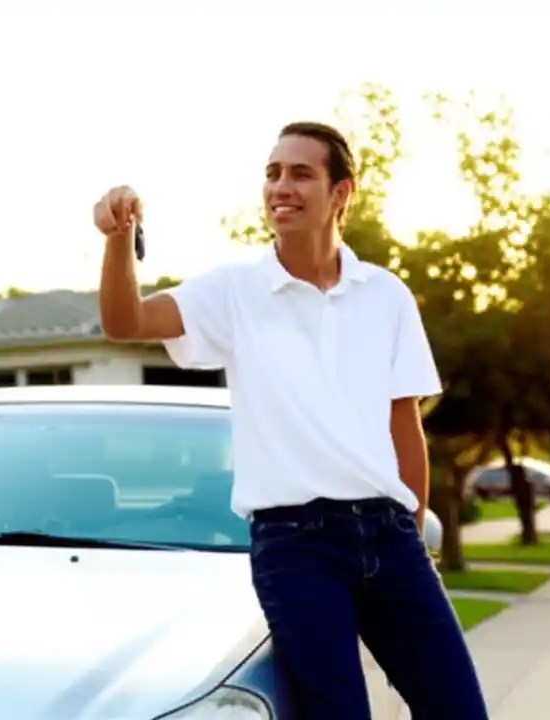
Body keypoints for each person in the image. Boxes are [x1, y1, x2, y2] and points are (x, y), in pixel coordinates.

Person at [92, 121, 490, 719]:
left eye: (301, 173)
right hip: (296, 547)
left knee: (459, 711)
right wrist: (118, 238)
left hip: (390, 537)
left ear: (340, 193)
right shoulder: (233, 291)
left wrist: (414, 533)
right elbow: (126, 322)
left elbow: (403, 426)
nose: (281, 185)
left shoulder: (385, 295)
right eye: (273, 173)